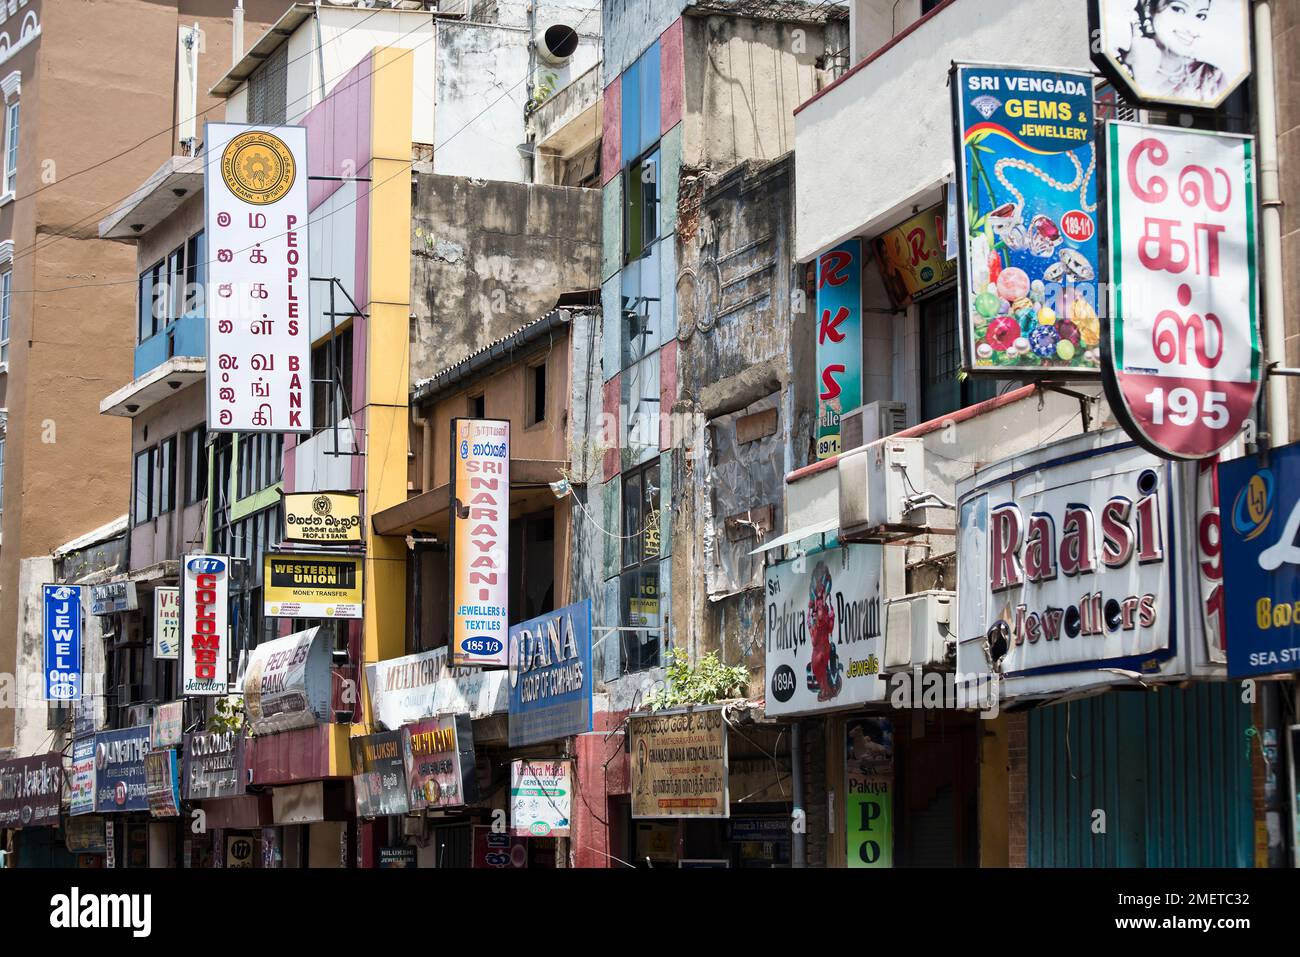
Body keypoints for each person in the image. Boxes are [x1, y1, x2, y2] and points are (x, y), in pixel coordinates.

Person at [1116, 0, 1226, 102]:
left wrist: (1144, 82)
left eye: (1200, 16)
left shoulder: (1211, 77)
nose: (1191, 27)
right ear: (1149, 7)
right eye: (1178, 9)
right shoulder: (1118, 61)